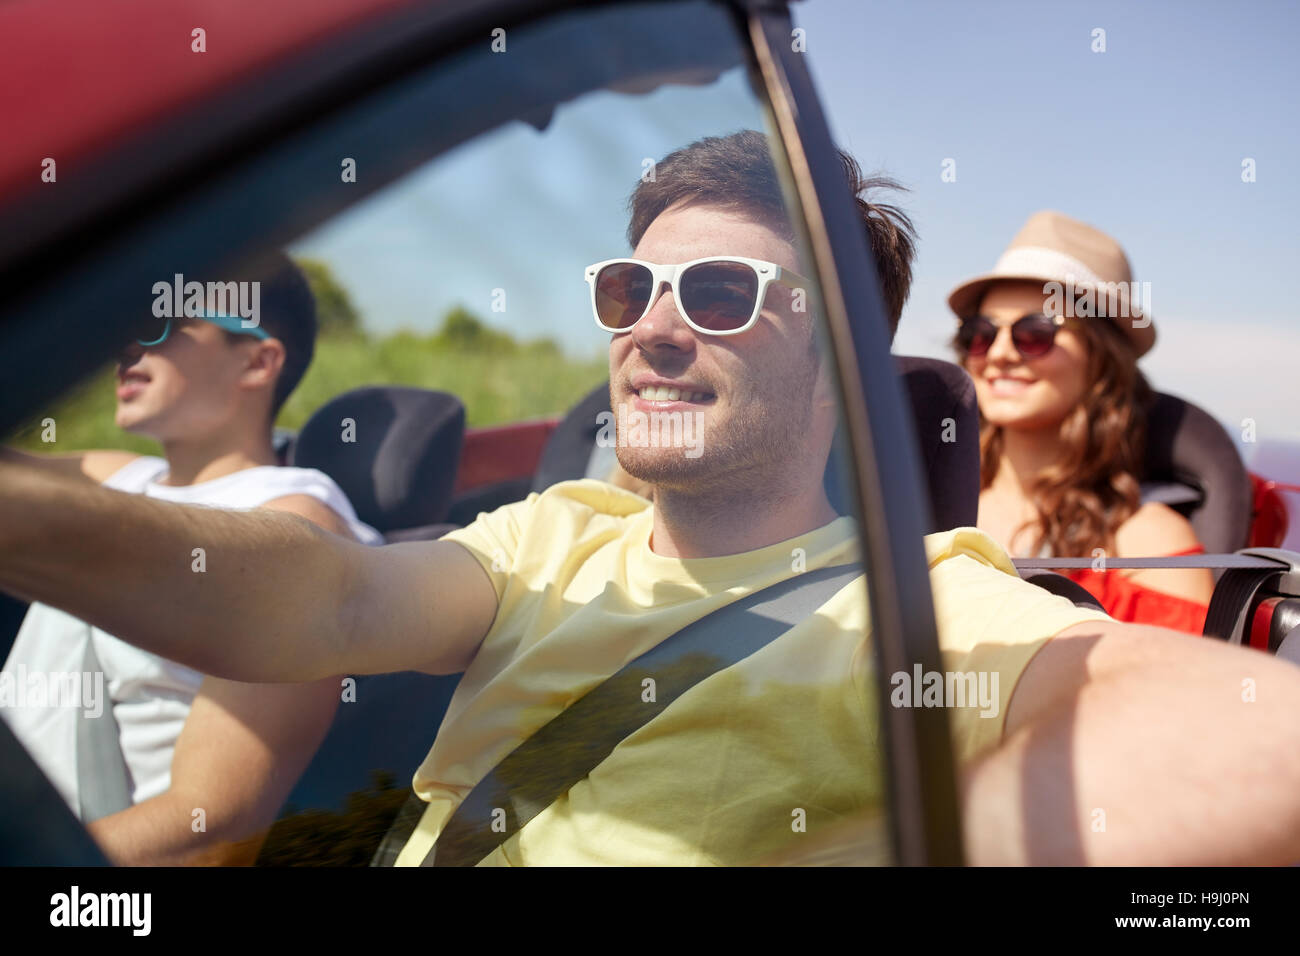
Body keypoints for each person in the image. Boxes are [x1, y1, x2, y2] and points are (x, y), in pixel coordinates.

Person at [1, 132, 1298, 866]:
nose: (652, 331)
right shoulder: (555, 533)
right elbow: (324, 601)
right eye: (630, 291)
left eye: (721, 295)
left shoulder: (921, 603)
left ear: (839, 365)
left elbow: (1260, 733)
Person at [0, 252, 381, 865]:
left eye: (158, 323)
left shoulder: (292, 526)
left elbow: (209, 826)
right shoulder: (125, 476)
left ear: (258, 360)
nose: (127, 347)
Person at [948, 211, 1214, 634]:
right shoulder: (916, 499)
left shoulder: (1153, 551)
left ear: (1101, 359)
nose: (998, 353)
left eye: (1034, 333)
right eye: (980, 332)